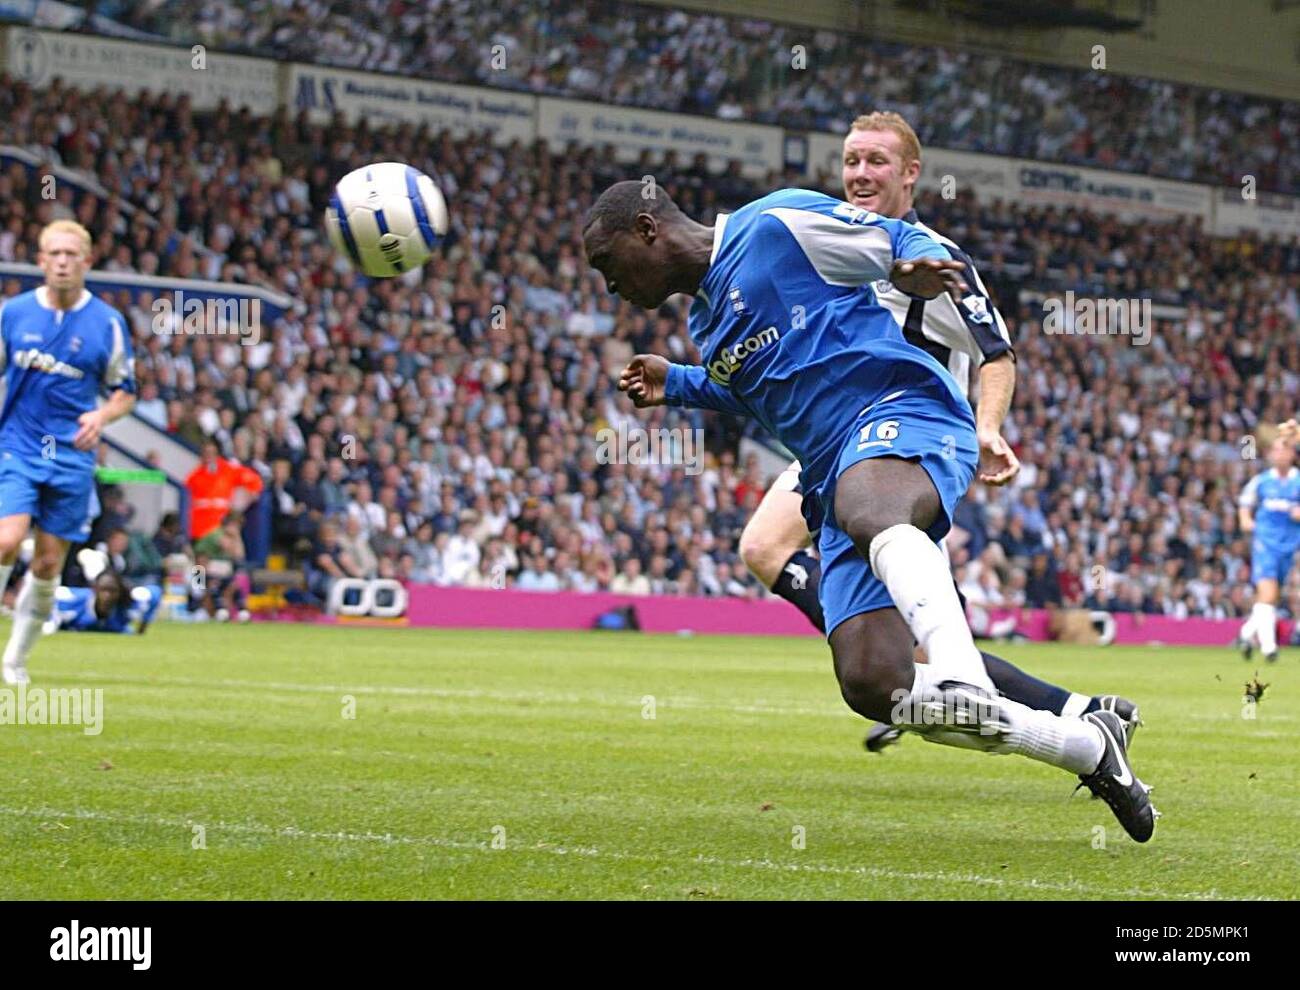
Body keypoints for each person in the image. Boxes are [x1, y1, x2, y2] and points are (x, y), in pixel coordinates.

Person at [585, 179, 1156, 841]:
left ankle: (962, 673)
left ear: (648, 229)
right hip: (837, 475)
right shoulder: (705, 326)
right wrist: (678, 384)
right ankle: (1088, 748)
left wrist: (908, 266)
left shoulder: (770, 226)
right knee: (872, 682)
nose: (610, 286)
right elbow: (760, 392)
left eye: (608, 264)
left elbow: (894, 237)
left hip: (904, 412)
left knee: (870, 508)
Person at [736, 112, 1137, 752]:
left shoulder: (937, 259)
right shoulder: (829, 244)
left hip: (905, 446)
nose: (860, 174)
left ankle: (1065, 716)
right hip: (835, 442)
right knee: (763, 549)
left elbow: (996, 354)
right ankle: (1086, 710)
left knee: (902, 634)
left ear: (911, 174)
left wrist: (988, 428)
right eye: (852, 161)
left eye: (877, 162)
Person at [0, 220, 136, 684]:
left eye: (70, 255)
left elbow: (125, 391)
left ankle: (15, 659)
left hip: (72, 456)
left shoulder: (107, 323)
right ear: (40, 261)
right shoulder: (13, 314)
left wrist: (102, 417)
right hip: (16, 445)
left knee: (48, 563)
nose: (61, 262)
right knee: (5, 540)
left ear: (87, 261)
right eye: (53, 254)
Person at [1236, 427, 1300, 662]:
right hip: (1265, 542)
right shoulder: (1261, 481)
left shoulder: (1297, 482)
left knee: (1271, 597)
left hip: (1289, 546)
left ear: (1292, 454)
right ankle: (1269, 647)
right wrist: (1245, 520)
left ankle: (1245, 633)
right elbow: (1244, 502)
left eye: (1284, 450)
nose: (1279, 455)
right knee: (1268, 592)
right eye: (1276, 450)